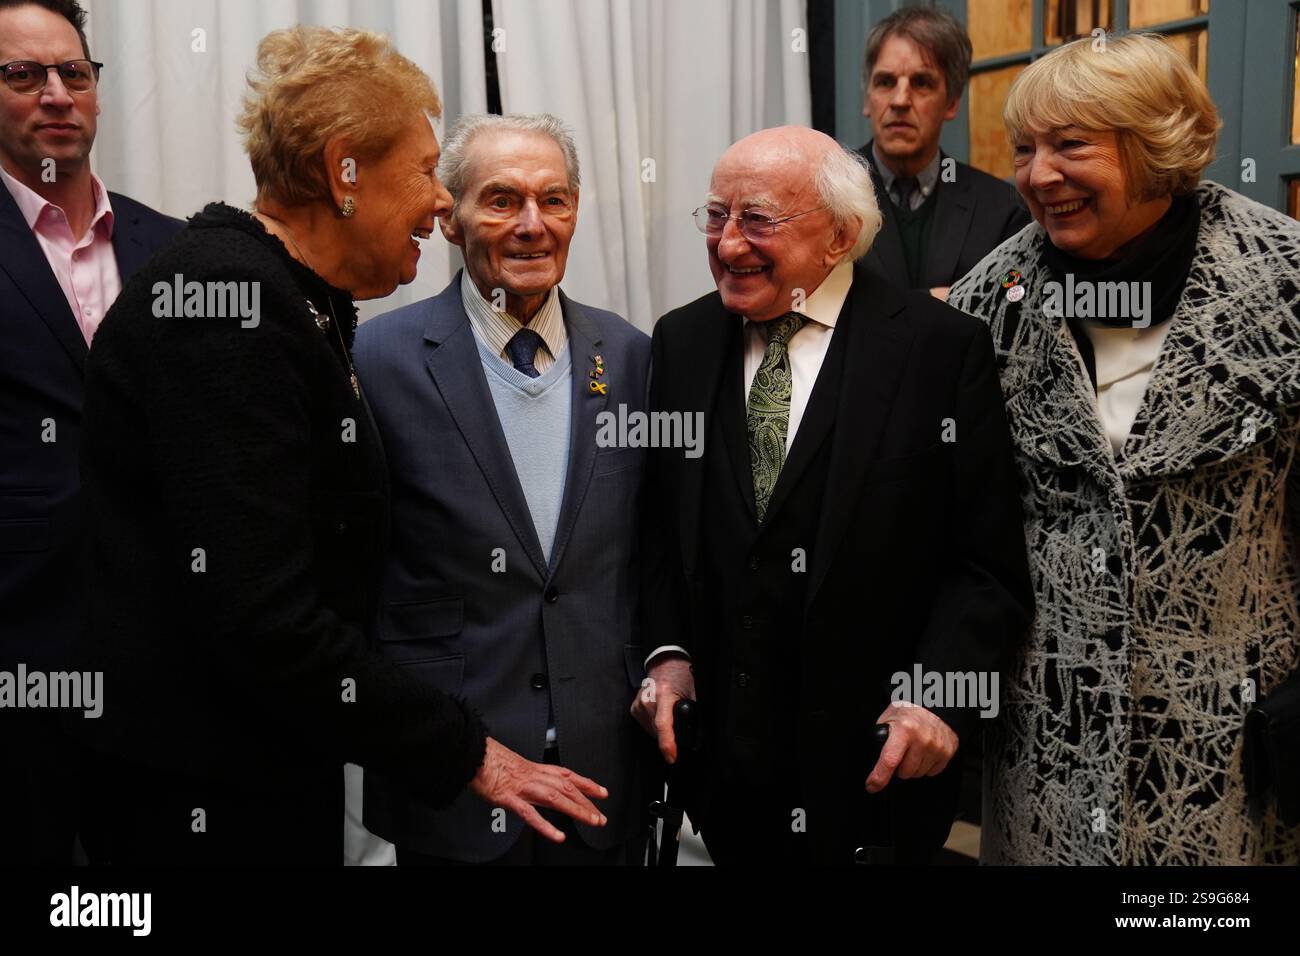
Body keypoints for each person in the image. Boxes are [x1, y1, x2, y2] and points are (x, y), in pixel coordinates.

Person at [77, 27, 606, 866]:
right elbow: (265, 622)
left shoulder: (295, 300)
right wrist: (470, 751)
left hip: (266, 768)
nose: (442, 205)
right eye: (426, 172)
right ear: (343, 173)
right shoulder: (224, 305)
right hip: (203, 798)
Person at [633, 125, 1033, 865]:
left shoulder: (939, 349)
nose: (727, 244)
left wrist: (937, 699)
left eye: (757, 220)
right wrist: (667, 654)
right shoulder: (680, 341)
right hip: (724, 784)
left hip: (876, 779)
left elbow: (985, 567)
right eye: (716, 216)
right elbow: (659, 531)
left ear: (840, 236)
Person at [948, 33, 1300, 864]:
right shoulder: (988, 303)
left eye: (1071, 146)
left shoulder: (1283, 283)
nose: (1039, 176)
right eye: (1024, 149)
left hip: (1235, 742)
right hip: (1047, 745)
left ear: (1156, 147)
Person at [354, 113, 651, 866]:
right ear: (449, 219)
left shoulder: (632, 357)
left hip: (604, 771)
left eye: (554, 200)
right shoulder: (372, 360)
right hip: (454, 769)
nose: (531, 225)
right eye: (501, 200)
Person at [0, 0, 181, 866]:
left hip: (163, 663)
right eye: (22, 74)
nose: (56, 93)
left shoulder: (174, 250)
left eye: (73, 72)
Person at [857, 7, 1028, 299]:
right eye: (885, 82)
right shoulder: (825, 202)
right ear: (867, 99)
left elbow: (1011, 306)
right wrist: (936, 301)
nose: (900, 100)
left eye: (921, 83)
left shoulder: (1001, 209)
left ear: (951, 103)